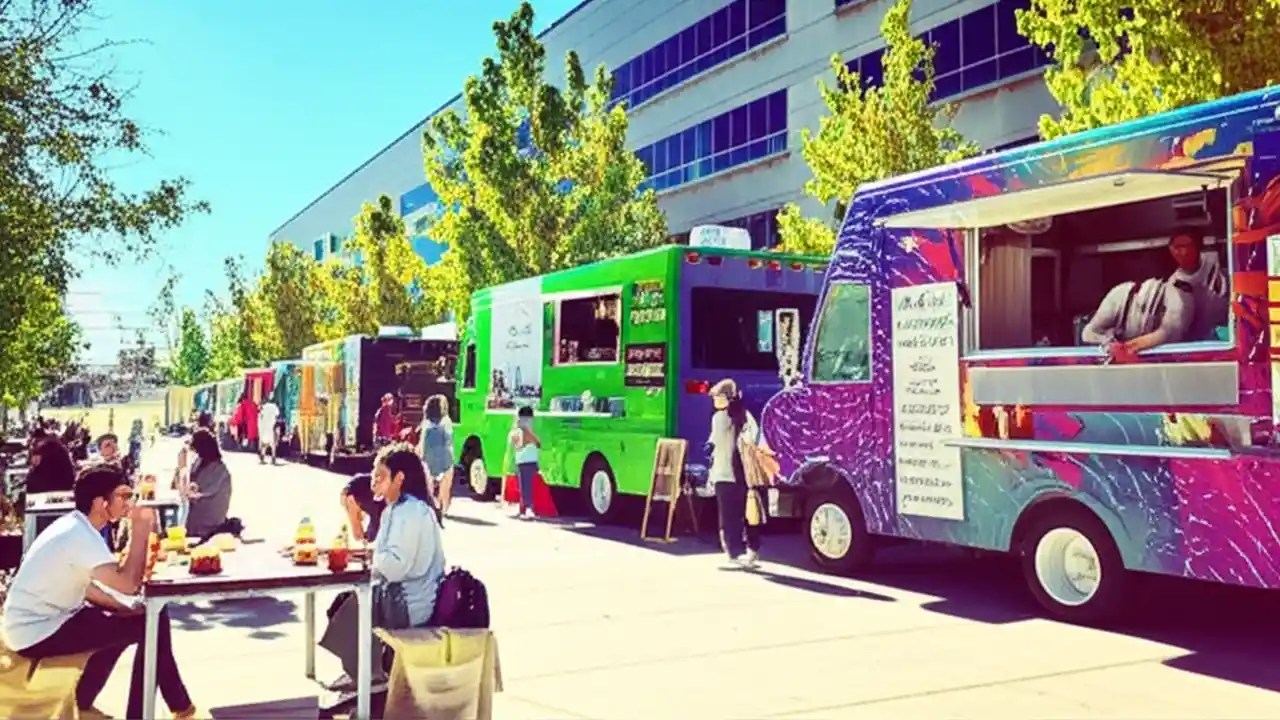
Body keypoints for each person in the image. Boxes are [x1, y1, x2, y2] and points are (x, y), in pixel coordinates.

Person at [2, 464, 197, 719]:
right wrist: (140, 531)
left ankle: (88, 699)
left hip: (41, 622)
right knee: (149, 625)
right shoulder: (79, 535)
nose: (129, 502)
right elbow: (129, 583)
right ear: (99, 503)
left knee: (144, 616)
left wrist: (123, 607)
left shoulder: (74, 526)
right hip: (37, 631)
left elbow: (88, 588)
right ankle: (158, 710)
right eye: (123, 496)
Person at [319, 444, 447, 700]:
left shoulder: (410, 511)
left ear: (399, 478)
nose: (374, 482)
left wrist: (371, 557)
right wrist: (359, 554)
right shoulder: (396, 509)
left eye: (381, 477)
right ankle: (363, 671)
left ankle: (369, 676)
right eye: (374, 475)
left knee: (350, 605)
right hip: (401, 593)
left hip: (411, 601)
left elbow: (397, 566)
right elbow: (386, 554)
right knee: (344, 602)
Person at [706, 379, 765, 569]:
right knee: (748, 513)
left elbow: (713, 444)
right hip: (745, 474)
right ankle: (752, 550)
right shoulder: (745, 416)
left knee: (728, 517)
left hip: (724, 473)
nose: (714, 400)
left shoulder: (719, 418)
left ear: (726, 398)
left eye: (717, 397)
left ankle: (734, 553)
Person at [1081, 276, 1193, 361]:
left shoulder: (1181, 297)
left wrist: (1128, 348)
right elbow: (1088, 333)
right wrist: (1110, 345)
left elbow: (1167, 332)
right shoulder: (1119, 296)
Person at [1168, 228, 1230, 342]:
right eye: (1177, 247)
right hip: (1197, 342)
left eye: (1188, 246)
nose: (1183, 252)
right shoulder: (1173, 284)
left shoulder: (1218, 267)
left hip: (1226, 334)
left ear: (1198, 247)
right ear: (1171, 250)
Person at [185, 428, 233, 538]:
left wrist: (193, 494)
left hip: (210, 519)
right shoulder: (200, 462)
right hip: (198, 512)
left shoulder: (219, 469)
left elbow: (205, 492)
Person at [418, 394, 455, 520]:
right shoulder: (446, 421)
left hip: (429, 455)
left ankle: (433, 504)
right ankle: (443, 506)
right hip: (444, 454)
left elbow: (422, 442)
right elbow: (449, 440)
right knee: (446, 482)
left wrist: (420, 456)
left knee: (429, 482)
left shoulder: (426, 423)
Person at [509, 406, 541, 520]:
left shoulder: (525, 429)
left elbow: (521, 444)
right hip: (525, 459)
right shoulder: (526, 428)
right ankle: (524, 508)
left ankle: (528, 508)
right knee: (524, 486)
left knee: (526, 486)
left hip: (526, 460)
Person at [341, 472, 385, 544]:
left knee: (359, 531)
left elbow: (376, 519)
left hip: (353, 490)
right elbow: (375, 519)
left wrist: (368, 536)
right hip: (354, 492)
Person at [258, 396, 282, 465]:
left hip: (265, 427)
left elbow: (261, 416)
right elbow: (277, 415)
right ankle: (273, 459)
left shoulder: (264, 407)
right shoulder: (274, 406)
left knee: (264, 444)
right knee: (273, 444)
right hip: (272, 426)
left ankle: (262, 459)